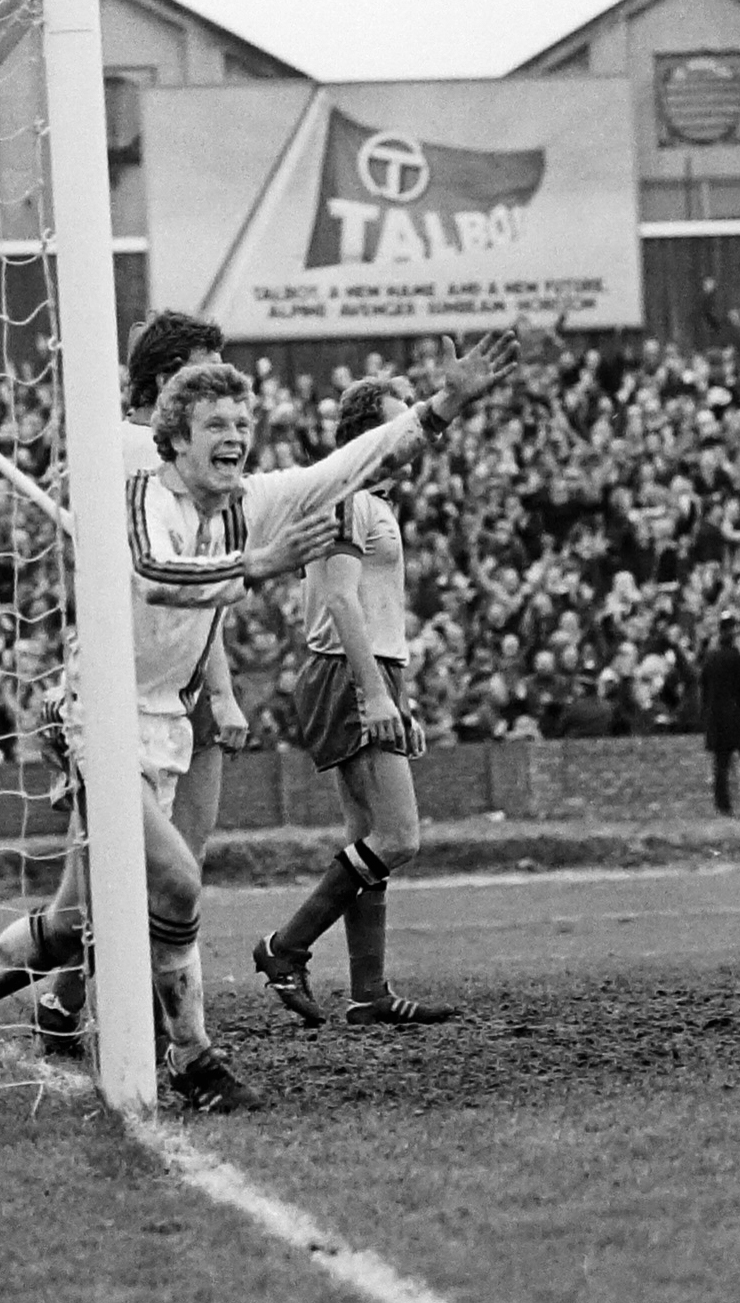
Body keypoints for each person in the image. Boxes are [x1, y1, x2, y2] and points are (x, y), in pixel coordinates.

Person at [0, 328, 521, 1112]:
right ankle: (194, 1059)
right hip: (97, 720)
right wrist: (257, 566)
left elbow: (349, 466)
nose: (235, 437)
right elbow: (159, 573)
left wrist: (442, 405)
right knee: (175, 885)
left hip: (167, 727)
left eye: (241, 425)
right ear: (172, 440)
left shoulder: (245, 504)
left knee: (77, 923)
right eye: (215, 425)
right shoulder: (147, 498)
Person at [33, 311, 270, 1057]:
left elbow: (207, 592)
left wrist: (223, 689)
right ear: (165, 383)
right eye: (201, 373)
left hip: (182, 683)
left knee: (157, 874)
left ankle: (73, 1004)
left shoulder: (197, 472)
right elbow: (165, 576)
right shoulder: (128, 452)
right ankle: (154, 1036)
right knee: (139, 877)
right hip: (116, 687)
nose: (215, 394)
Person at [251, 375, 464, 1031]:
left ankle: (368, 991)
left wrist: (395, 691)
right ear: (367, 434)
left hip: (359, 670)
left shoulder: (360, 499)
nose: (412, 438)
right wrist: (375, 693)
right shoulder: (350, 499)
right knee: (398, 837)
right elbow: (341, 600)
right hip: (347, 673)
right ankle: (285, 946)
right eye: (400, 423)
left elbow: (365, 606)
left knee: (367, 836)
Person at [702, 615, 740, 816]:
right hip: (739, 718)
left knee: (721, 764)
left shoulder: (710, 659)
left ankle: (722, 805)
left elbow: (704, 691)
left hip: (717, 719)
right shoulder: (739, 660)